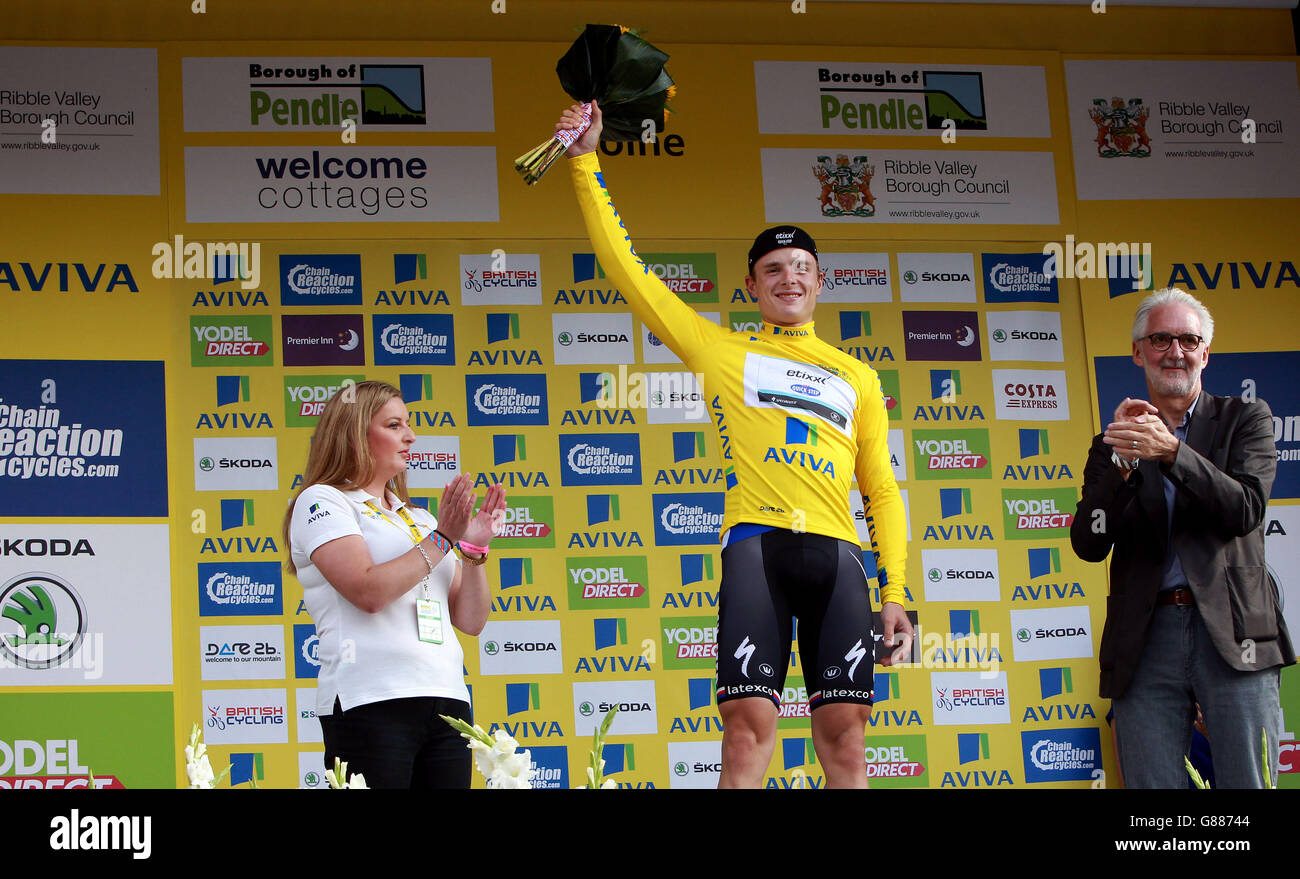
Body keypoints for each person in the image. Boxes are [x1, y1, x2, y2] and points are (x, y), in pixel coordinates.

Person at [558, 101, 911, 788]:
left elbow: (882, 488)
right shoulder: (722, 349)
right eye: (773, 269)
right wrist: (584, 161)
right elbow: (629, 272)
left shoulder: (859, 375)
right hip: (757, 548)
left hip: (843, 559)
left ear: (820, 281)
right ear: (750, 285)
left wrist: (897, 591)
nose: (790, 278)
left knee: (848, 740)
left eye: (802, 266)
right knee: (746, 729)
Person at [1071, 287, 1293, 788]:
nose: (1176, 351)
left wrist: (1172, 452)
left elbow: (1246, 510)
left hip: (1235, 632)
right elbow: (1089, 541)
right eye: (1161, 339)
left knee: (1247, 785)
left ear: (1206, 352)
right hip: (1145, 638)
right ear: (1138, 351)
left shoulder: (1245, 420)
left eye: (1189, 340)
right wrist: (1123, 467)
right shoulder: (1114, 443)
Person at [283, 380, 507, 788]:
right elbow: (368, 592)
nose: (411, 435)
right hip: (368, 700)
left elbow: (471, 620)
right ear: (355, 434)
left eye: (408, 423)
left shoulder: (419, 520)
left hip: (447, 700)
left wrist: (473, 547)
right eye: (394, 425)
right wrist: (443, 539)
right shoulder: (322, 501)